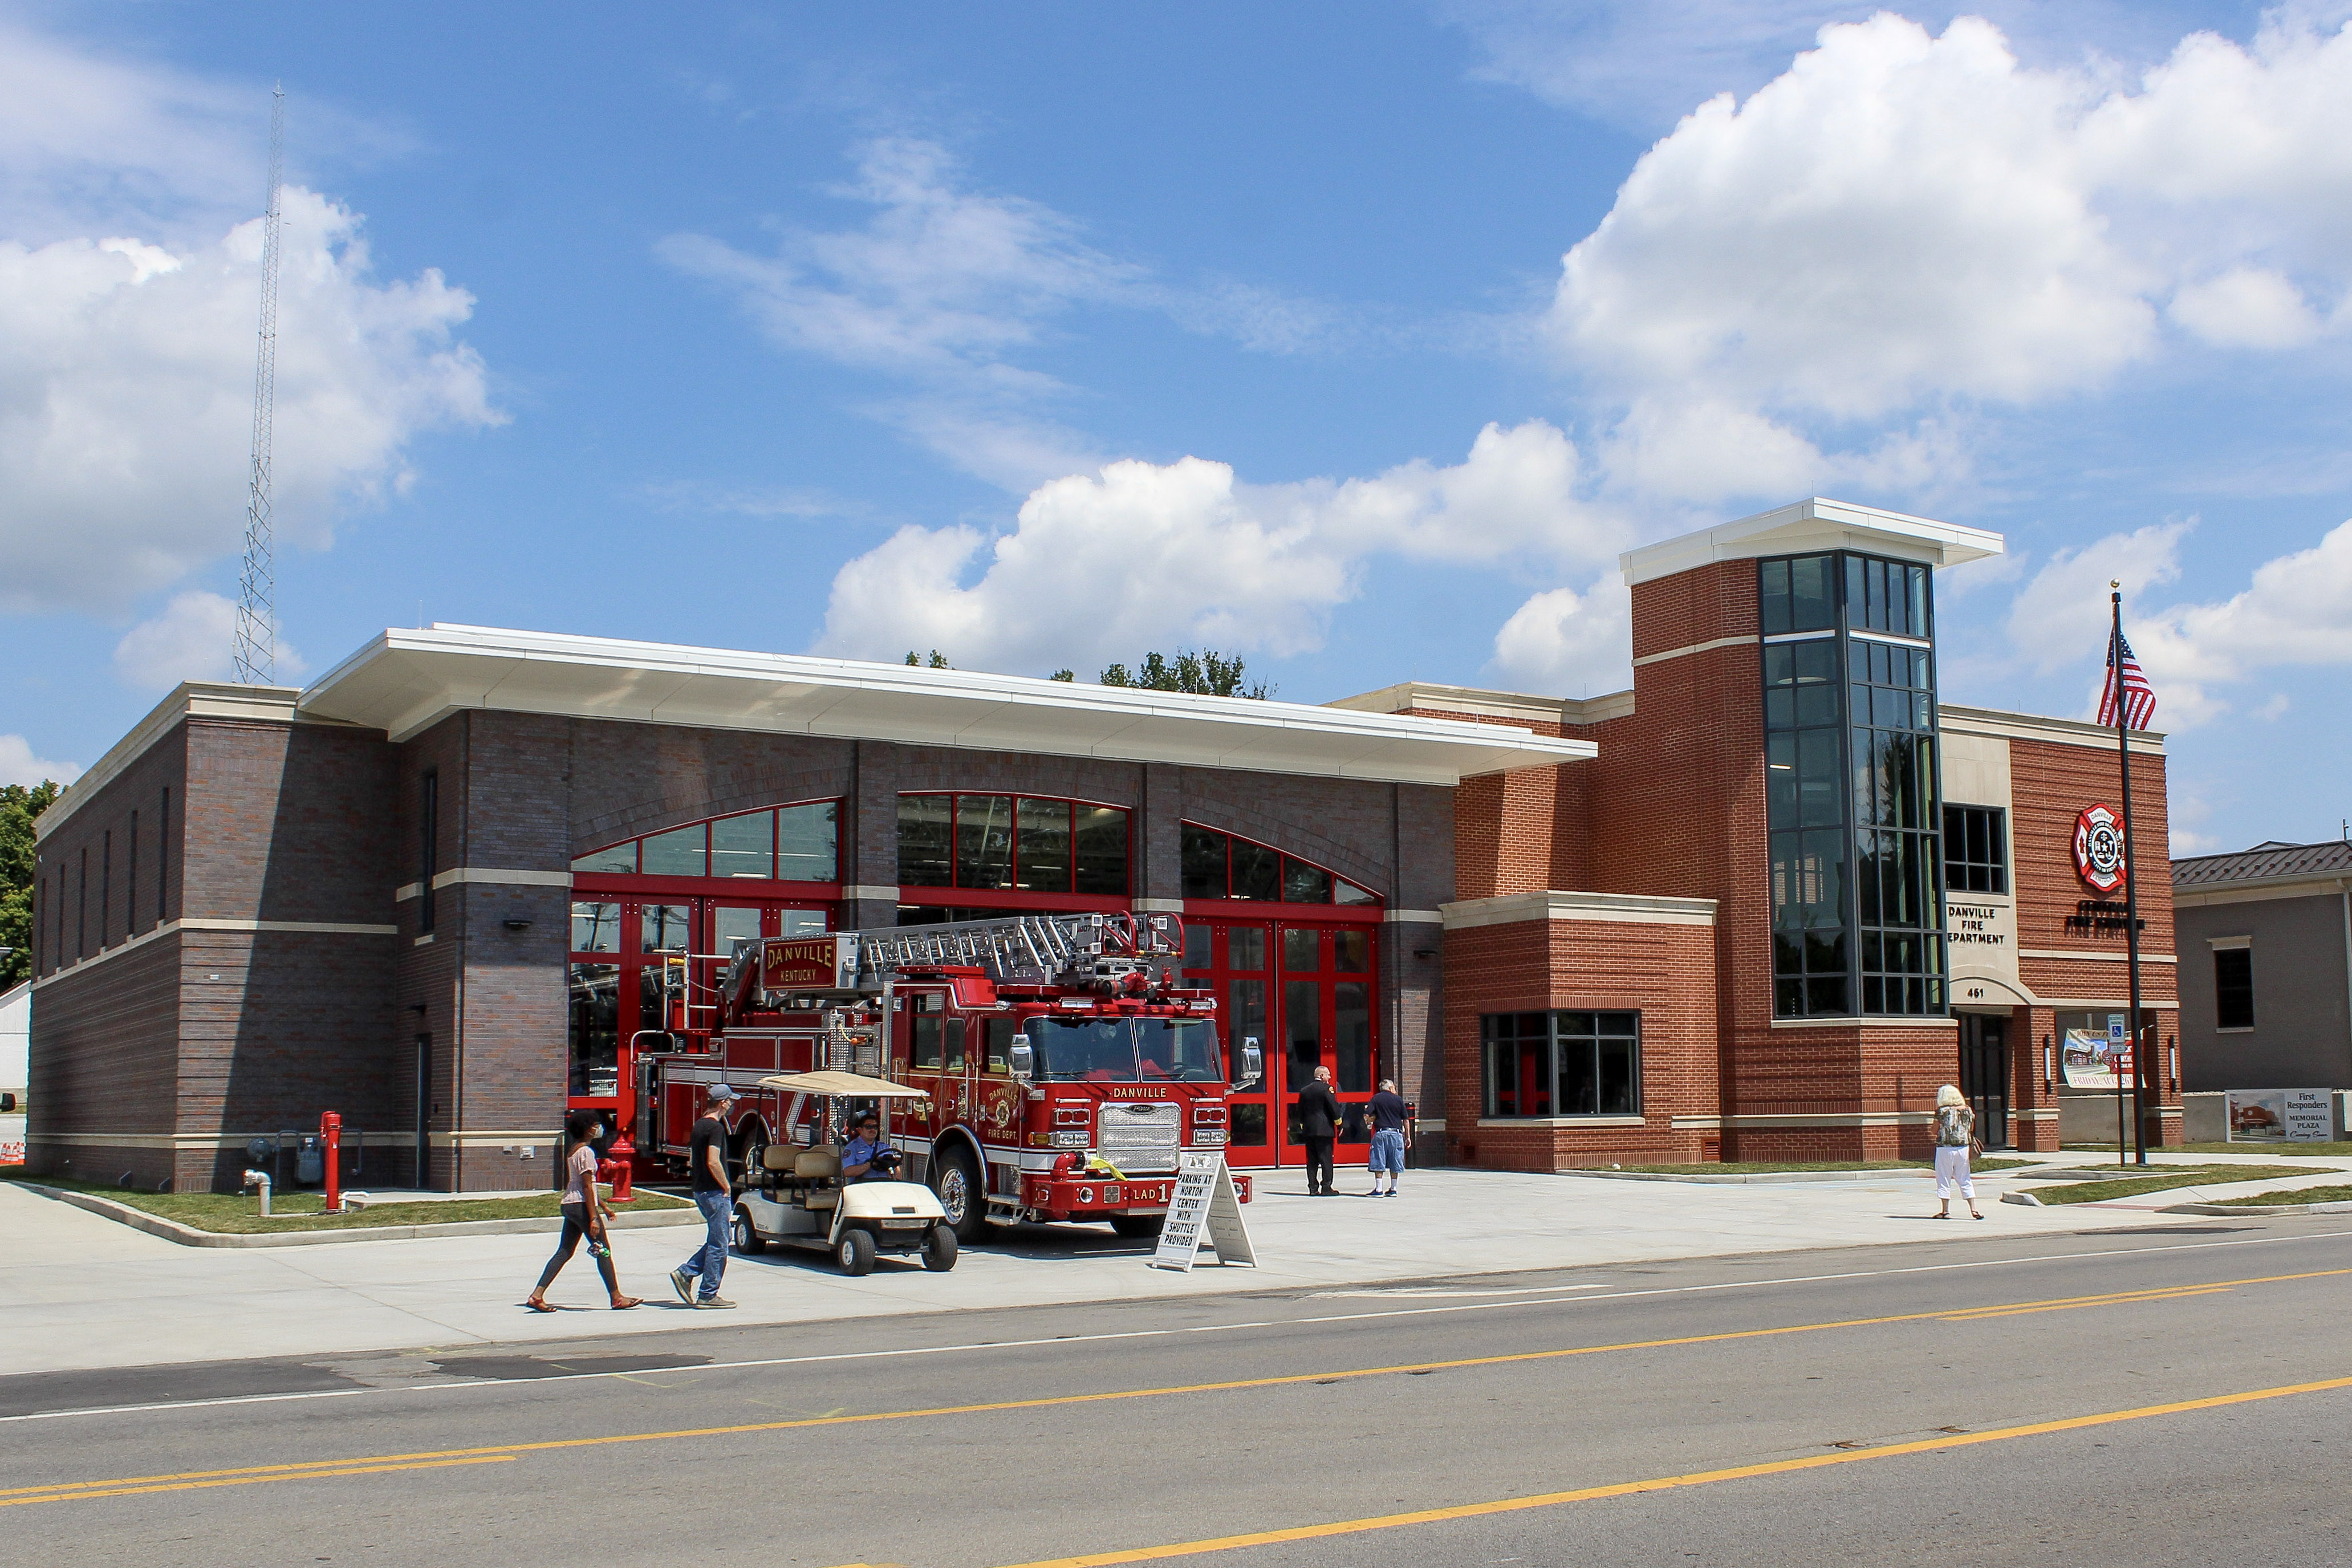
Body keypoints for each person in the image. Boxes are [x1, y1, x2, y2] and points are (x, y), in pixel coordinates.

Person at [526, 1110, 641, 1312]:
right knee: (603, 1250)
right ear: (589, 1129)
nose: (599, 1128)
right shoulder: (587, 1153)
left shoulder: (573, 1150)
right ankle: (616, 1297)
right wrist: (594, 1218)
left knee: (564, 1251)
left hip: (570, 1205)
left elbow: (582, 1185)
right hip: (582, 1207)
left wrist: (604, 1207)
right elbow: (587, 1187)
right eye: (596, 1125)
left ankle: (537, 1295)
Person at [669, 1084, 739, 1308]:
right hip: (715, 1192)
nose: (731, 1104)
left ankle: (686, 1273)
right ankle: (708, 1293)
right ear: (722, 1103)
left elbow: (693, 1159)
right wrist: (727, 1186)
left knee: (719, 1239)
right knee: (720, 1245)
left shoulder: (699, 1125)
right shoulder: (716, 1129)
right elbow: (712, 1160)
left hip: (701, 1190)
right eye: (729, 1101)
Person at [1932, 1083, 1984, 1220]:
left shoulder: (1942, 1111)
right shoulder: (1968, 1110)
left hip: (1945, 1148)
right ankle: (1974, 1209)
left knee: (1943, 1178)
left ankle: (1945, 1211)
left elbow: (1934, 1130)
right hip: (1963, 1148)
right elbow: (1970, 1128)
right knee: (1965, 1178)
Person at [1296, 1064, 1342, 1196]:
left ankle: (1312, 1188)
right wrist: (1339, 1123)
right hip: (1324, 1130)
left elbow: (1300, 1111)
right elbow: (1334, 1108)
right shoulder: (1327, 1089)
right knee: (1326, 1159)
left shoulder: (1304, 1090)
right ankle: (1326, 1187)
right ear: (1322, 1076)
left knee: (1312, 1160)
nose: (1330, 1077)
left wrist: (1303, 1126)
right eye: (1328, 1074)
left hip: (1309, 1130)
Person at [1366, 1078, 1411, 1197]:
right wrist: (1408, 1137)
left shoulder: (1376, 1098)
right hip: (1396, 1134)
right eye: (1394, 1087)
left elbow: (1367, 1114)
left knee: (1378, 1158)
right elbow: (1406, 1120)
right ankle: (1394, 1188)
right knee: (1396, 1159)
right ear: (1390, 1088)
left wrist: (1369, 1123)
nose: (1395, 1090)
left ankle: (1379, 1189)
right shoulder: (1398, 1100)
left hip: (1381, 1133)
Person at [842, 1112, 901, 1183]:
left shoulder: (885, 1147)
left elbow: (896, 1169)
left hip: (884, 1185)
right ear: (860, 1130)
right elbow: (847, 1172)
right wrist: (871, 1164)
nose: (873, 1130)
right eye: (868, 1127)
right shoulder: (852, 1148)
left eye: (875, 1127)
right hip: (861, 1186)